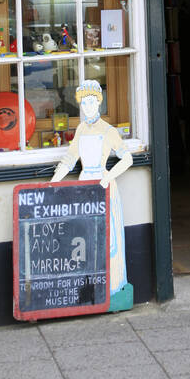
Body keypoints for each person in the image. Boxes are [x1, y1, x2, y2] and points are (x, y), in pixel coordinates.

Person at [51, 80, 133, 302]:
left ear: (99, 102)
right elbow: (69, 159)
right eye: (83, 103)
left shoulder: (108, 131)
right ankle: (92, 287)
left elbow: (127, 158)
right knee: (87, 237)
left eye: (91, 101)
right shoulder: (80, 129)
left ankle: (113, 286)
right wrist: (53, 183)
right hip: (85, 185)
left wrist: (108, 177)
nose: (87, 106)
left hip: (103, 185)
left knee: (108, 238)